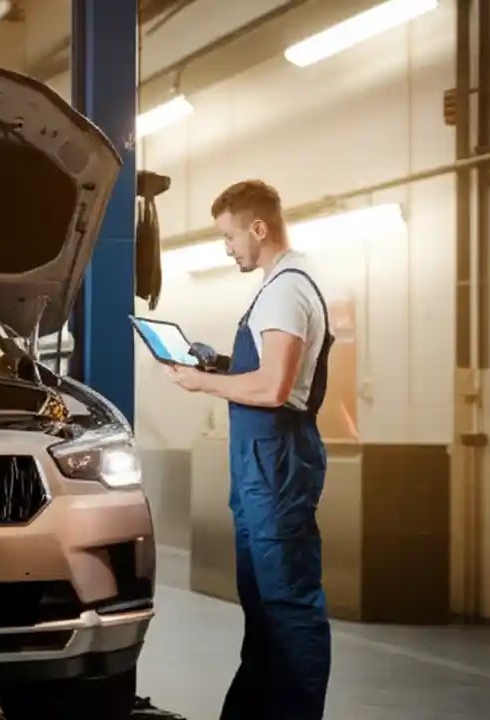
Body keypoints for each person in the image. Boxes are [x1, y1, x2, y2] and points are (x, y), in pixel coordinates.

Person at [165, 180, 333, 720]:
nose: (227, 249)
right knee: (261, 604)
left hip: (277, 458)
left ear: (258, 228)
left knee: (287, 603)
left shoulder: (285, 289)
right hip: (261, 461)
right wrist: (217, 364)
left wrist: (202, 384)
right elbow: (265, 371)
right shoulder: (279, 284)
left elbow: (274, 387)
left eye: (229, 237)